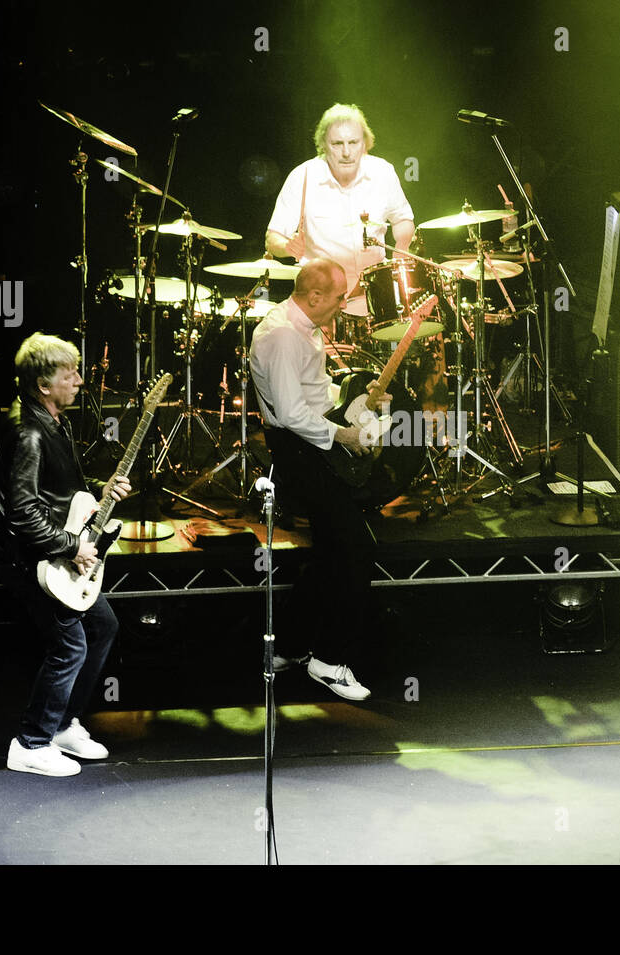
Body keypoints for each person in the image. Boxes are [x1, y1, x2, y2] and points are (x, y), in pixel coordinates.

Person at [248, 259, 387, 701]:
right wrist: (342, 433)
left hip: (305, 443)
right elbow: (290, 414)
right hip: (298, 450)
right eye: (339, 297)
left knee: (329, 550)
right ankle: (329, 660)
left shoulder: (299, 326)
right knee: (356, 547)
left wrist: (355, 399)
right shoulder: (285, 337)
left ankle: (288, 648)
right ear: (314, 297)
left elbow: (312, 392)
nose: (344, 305)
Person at [0, 332, 130, 776]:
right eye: (67, 373)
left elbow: (57, 494)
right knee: (69, 646)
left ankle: (60, 726)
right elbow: (22, 510)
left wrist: (99, 494)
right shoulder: (28, 432)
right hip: (33, 560)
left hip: (54, 553)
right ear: (42, 386)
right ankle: (31, 743)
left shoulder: (55, 421)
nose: (78, 379)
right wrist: (72, 547)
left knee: (103, 625)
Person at [265, 102, 415, 317]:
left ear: (365, 143)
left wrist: (402, 245)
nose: (346, 152)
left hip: (375, 295)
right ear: (323, 144)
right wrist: (287, 246)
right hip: (319, 301)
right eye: (337, 143)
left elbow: (402, 219)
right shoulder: (302, 177)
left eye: (353, 142)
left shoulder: (383, 172)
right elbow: (272, 238)